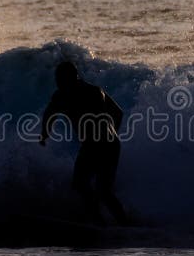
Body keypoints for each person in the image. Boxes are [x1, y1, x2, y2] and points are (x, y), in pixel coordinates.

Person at [40, 61, 129, 225]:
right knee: (82, 185)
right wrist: (45, 134)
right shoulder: (86, 92)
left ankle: (122, 224)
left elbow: (118, 113)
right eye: (57, 79)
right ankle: (101, 222)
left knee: (101, 190)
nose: (59, 82)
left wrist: (108, 135)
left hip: (103, 145)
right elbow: (49, 114)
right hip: (104, 144)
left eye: (62, 79)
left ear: (74, 77)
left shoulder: (91, 93)